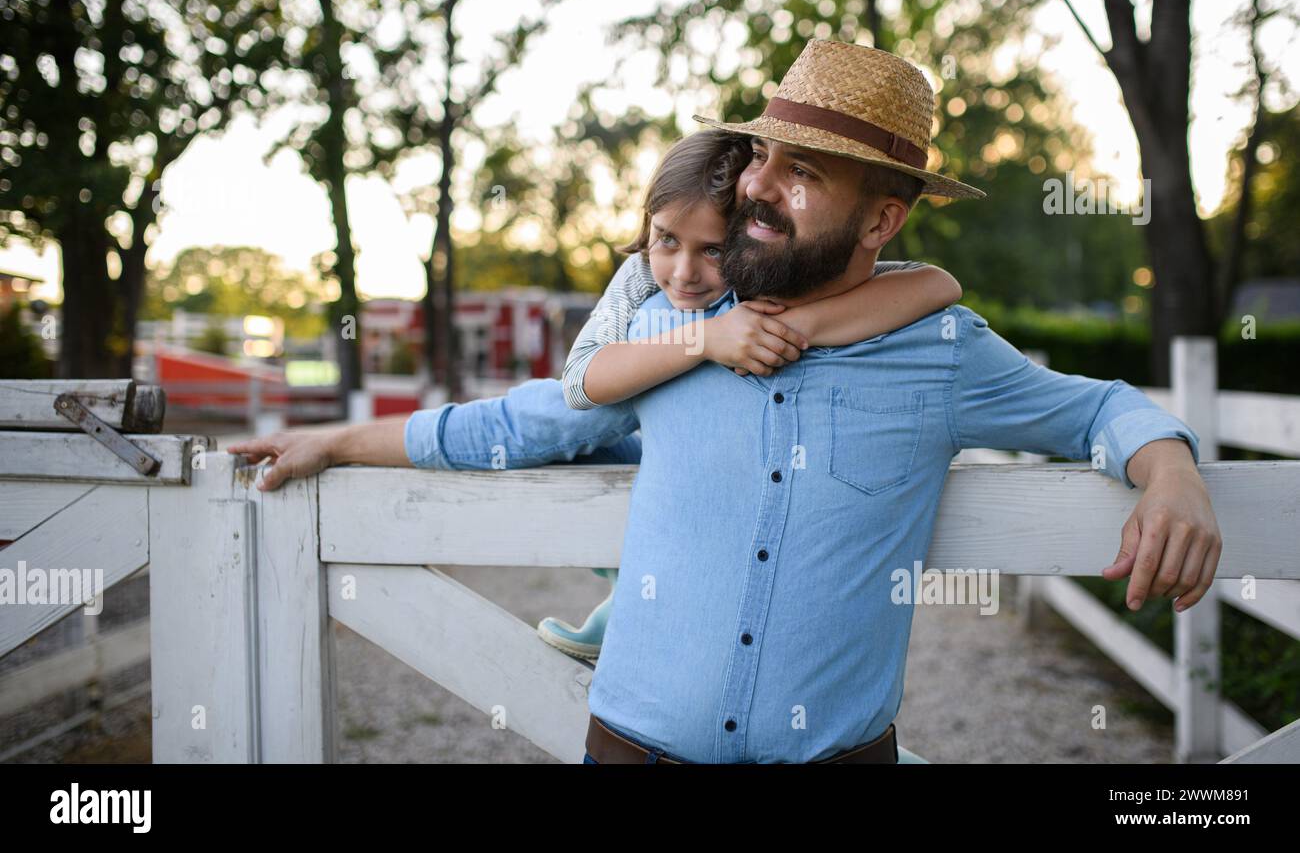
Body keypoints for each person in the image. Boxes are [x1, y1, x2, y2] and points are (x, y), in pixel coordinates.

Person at [230, 41, 1221, 765]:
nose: (758, 183)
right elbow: (512, 423)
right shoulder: (680, 327)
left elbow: (1094, 409)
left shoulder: (940, 351)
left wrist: (1168, 465)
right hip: (629, 751)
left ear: (882, 218)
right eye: (761, 156)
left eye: (803, 173)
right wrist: (339, 435)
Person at [537, 127, 963, 660]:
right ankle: (624, 599)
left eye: (713, 249)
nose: (684, 273)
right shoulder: (641, 273)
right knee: (556, 437)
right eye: (666, 238)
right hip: (646, 445)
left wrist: (802, 321)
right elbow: (578, 384)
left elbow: (938, 284)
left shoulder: (764, 274)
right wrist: (706, 337)